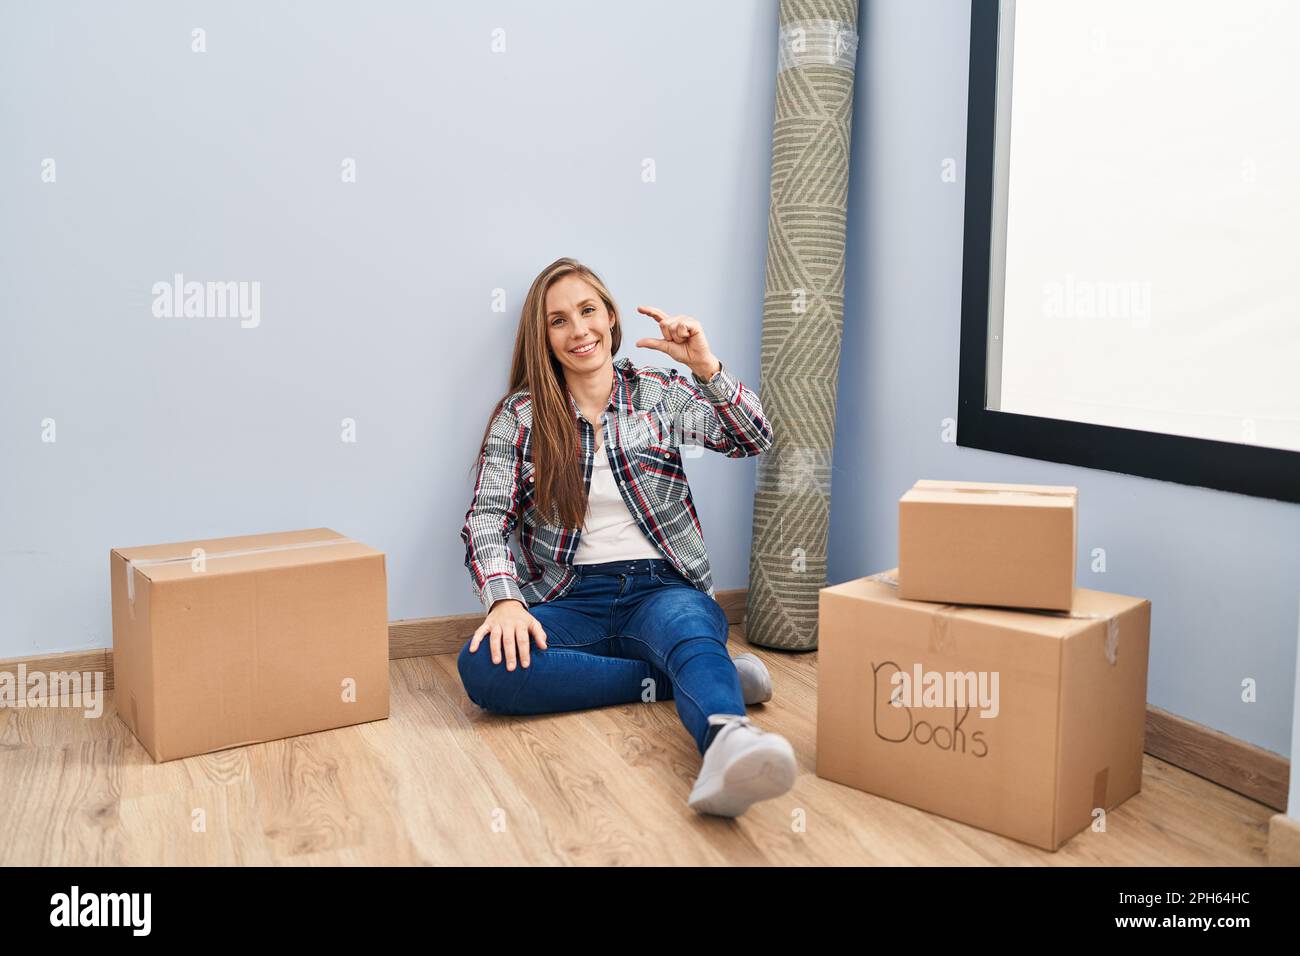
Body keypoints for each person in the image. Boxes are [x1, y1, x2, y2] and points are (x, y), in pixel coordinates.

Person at [457, 256, 796, 817]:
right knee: (483, 665)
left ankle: (728, 743)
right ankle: (692, 674)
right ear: (542, 337)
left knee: (688, 629)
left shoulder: (659, 396)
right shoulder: (520, 417)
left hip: (662, 589)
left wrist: (706, 367)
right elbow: (487, 517)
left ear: (611, 318)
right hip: (571, 599)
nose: (578, 330)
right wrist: (506, 600)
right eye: (558, 320)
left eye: (588, 311)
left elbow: (753, 437)